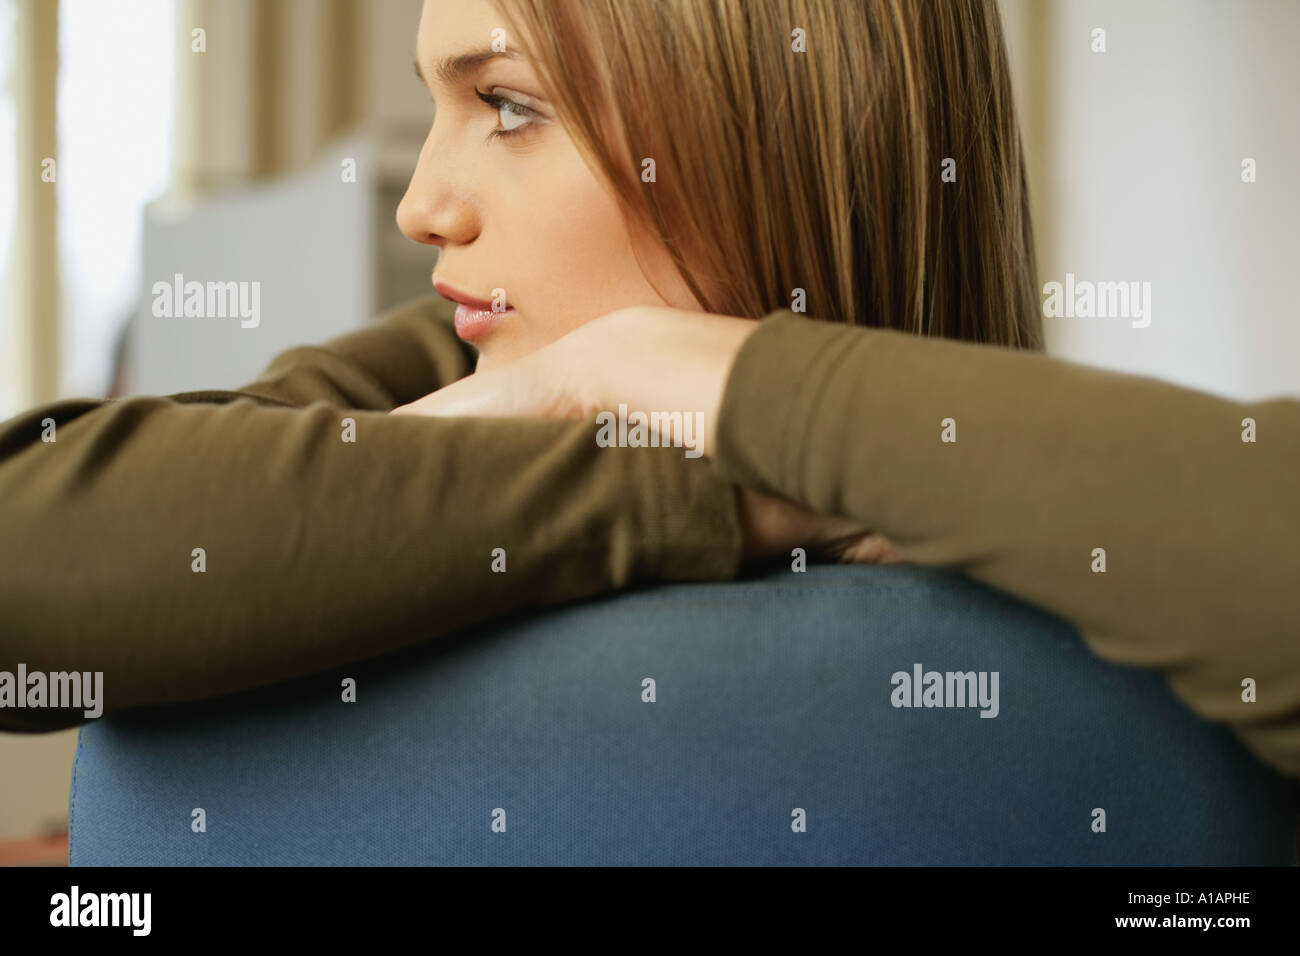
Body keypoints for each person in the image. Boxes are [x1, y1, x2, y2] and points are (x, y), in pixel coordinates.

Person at [6, 0, 1296, 784]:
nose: (418, 206)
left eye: (505, 106)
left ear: (770, 129)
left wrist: (709, 380)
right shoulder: (491, 353)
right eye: (437, 108)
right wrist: (703, 465)